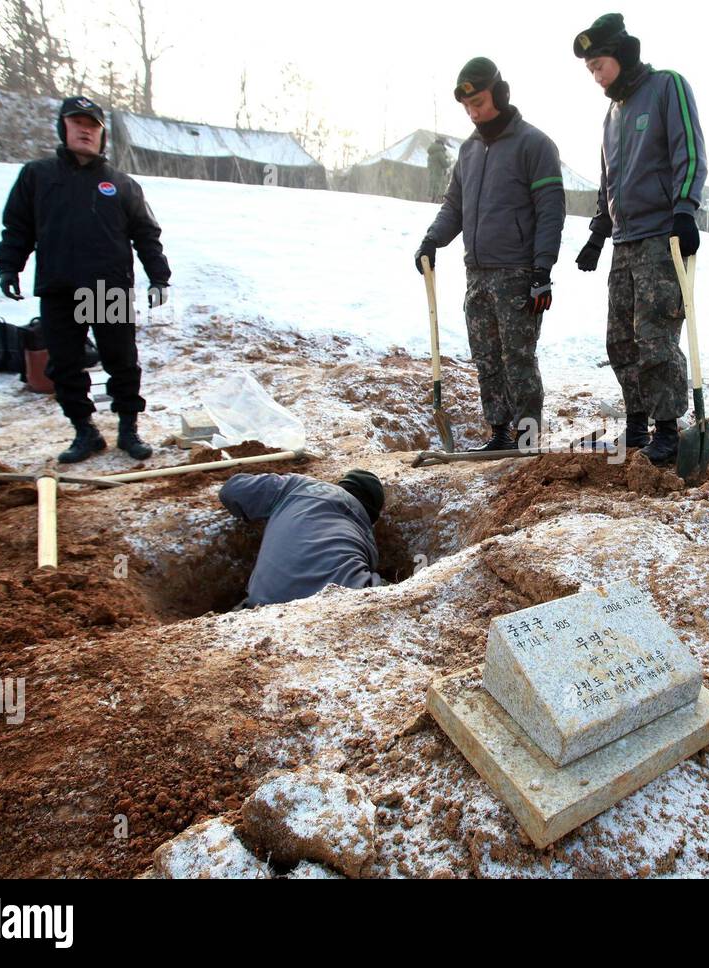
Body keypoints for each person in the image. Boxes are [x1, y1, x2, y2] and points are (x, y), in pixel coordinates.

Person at [0, 96, 171, 463]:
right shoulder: (38, 175)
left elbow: (146, 234)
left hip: (107, 287)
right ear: (64, 128)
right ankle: (84, 431)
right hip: (59, 287)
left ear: (102, 135)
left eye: (92, 126)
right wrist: (9, 266)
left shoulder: (120, 184)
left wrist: (159, 277)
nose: (85, 131)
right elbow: (18, 227)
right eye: (77, 124)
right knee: (63, 364)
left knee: (121, 360)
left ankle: (128, 428)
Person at [572, 13, 708, 466]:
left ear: (622, 54)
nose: (596, 76)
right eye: (590, 70)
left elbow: (688, 150)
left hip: (661, 238)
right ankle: (637, 424)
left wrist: (685, 210)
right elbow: (608, 180)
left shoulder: (667, 87)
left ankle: (668, 429)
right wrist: (598, 232)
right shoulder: (612, 114)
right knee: (620, 340)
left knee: (656, 337)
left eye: (600, 65)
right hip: (624, 242)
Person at [416, 59, 566, 452]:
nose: (473, 112)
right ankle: (499, 433)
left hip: (518, 273)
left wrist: (542, 270)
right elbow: (454, 207)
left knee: (518, 359)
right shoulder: (468, 151)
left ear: (500, 94)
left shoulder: (534, 145)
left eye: (479, 102)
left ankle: (527, 438)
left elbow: (551, 210)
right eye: (467, 106)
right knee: (486, 358)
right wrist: (432, 241)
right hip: (477, 274)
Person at [219, 469, 384, 607]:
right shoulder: (365, 534)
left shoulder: (296, 486)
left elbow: (232, 490)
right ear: (371, 516)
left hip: (264, 605)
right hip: (340, 607)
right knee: (388, 591)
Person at [426, 137, 450, 202]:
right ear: (441, 144)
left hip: (432, 172)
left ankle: (433, 201)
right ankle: (437, 202)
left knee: (433, 187)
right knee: (439, 188)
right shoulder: (439, 153)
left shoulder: (431, 152)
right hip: (439, 173)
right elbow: (445, 164)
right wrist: (449, 161)